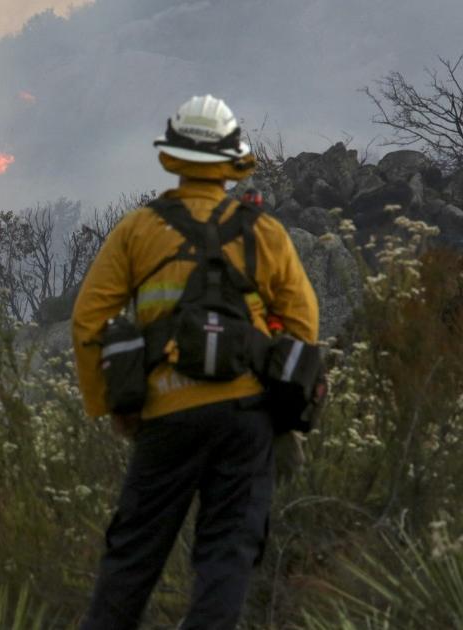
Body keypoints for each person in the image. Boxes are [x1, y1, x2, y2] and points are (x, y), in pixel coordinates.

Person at [72, 95, 319, 629]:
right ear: (234, 163)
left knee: (131, 559)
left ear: (173, 159)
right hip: (245, 418)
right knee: (226, 556)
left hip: (165, 417)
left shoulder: (137, 230)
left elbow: (88, 320)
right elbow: (303, 323)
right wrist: (281, 405)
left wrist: (114, 407)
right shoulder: (264, 232)